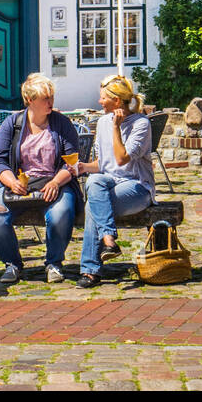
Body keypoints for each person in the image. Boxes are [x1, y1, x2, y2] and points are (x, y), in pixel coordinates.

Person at [0, 73, 80, 285]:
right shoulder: (13, 124)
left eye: (52, 97)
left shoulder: (62, 124)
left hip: (55, 182)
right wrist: (11, 182)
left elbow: (72, 163)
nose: (50, 103)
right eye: (45, 98)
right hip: (19, 183)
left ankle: (54, 262)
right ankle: (12, 263)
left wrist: (56, 182)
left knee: (61, 213)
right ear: (30, 100)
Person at [74, 74, 153, 288]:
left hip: (137, 187)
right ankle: (109, 240)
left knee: (93, 205)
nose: (99, 102)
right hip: (108, 183)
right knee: (95, 181)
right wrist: (82, 167)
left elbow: (121, 159)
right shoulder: (101, 122)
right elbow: (103, 164)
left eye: (103, 98)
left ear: (117, 101)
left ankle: (90, 271)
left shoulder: (141, 124)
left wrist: (116, 128)